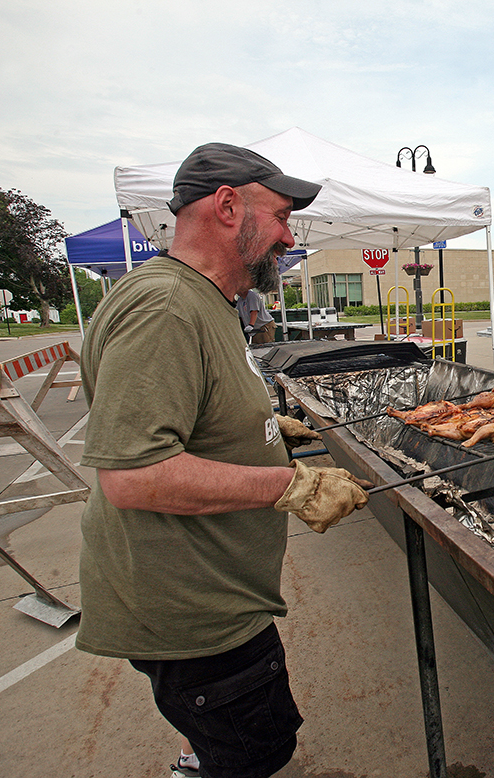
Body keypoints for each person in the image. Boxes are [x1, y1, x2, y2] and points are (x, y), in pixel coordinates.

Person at [75, 142, 369, 778]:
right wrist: (291, 486)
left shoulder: (207, 300)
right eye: (284, 216)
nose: (290, 237)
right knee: (252, 752)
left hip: (214, 592)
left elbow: (194, 416)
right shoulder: (165, 307)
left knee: (236, 736)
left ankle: (197, 759)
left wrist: (265, 428)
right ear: (229, 206)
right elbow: (135, 475)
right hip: (192, 610)